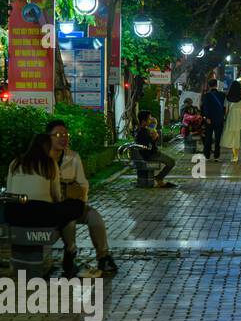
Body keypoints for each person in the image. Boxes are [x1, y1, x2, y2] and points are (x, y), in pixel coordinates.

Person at [5, 134, 86, 277]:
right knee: (75, 206)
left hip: (14, 213)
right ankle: (70, 250)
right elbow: (56, 196)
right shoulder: (49, 163)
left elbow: (10, 192)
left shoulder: (15, 163)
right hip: (40, 213)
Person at [46, 120, 118, 275]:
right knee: (69, 219)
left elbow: (83, 184)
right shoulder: (42, 159)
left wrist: (80, 203)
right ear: (48, 138)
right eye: (58, 134)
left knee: (94, 217)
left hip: (72, 204)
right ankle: (70, 253)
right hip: (49, 207)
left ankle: (103, 256)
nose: (63, 138)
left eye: (66, 134)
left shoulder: (73, 157)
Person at [135, 110, 178, 187]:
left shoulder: (144, 130)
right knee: (171, 162)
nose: (151, 119)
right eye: (149, 118)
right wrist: (154, 138)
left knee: (171, 161)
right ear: (144, 121)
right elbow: (148, 146)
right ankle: (159, 178)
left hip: (152, 153)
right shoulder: (143, 132)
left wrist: (154, 138)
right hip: (151, 155)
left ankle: (159, 178)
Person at [220, 80, 241, 163]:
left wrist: (225, 118)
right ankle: (236, 155)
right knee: (237, 136)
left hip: (230, 117)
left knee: (231, 136)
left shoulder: (228, 97)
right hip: (239, 117)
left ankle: (234, 155)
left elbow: (226, 110)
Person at [201, 79, 226, 160]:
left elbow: (205, 108)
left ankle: (207, 155)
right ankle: (216, 155)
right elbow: (224, 107)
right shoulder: (222, 95)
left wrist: (206, 117)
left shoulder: (206, 96)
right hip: (219, 119)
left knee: (208, 137)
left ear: (209, 86)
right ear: (216, 85)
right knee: (218, 138)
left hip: (209, 120)